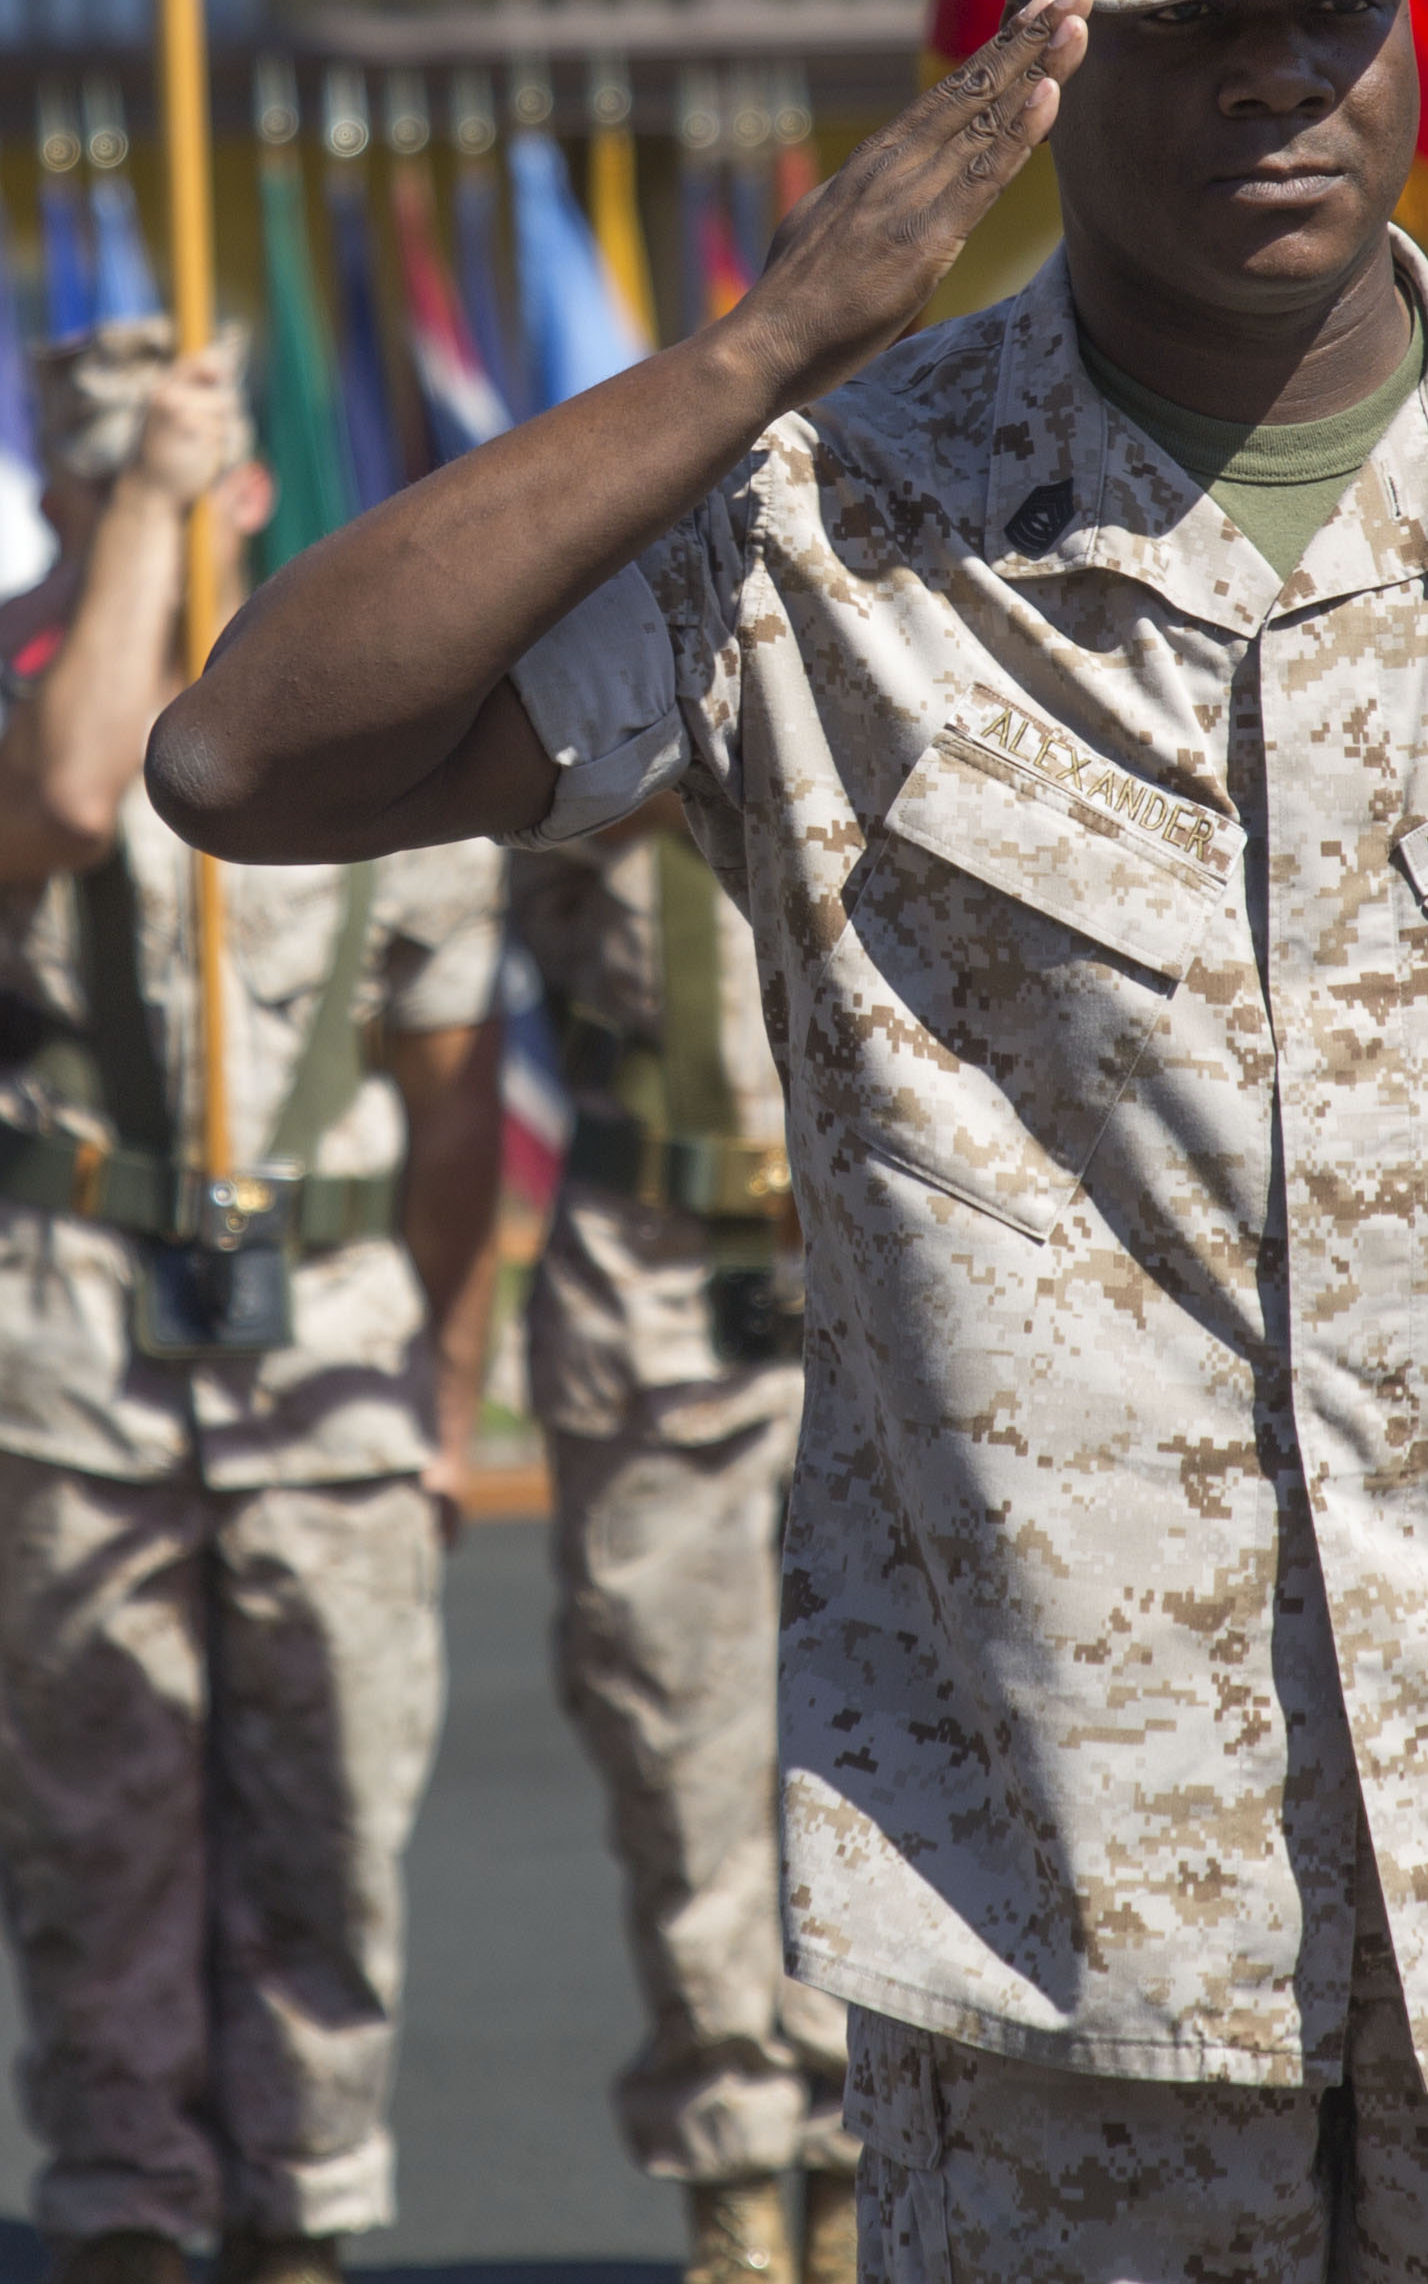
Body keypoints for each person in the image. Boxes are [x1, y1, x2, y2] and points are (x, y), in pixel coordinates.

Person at [147, 0, 1428, 2279]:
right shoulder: (822, 535)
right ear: (1053, 51)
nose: (1273, 85)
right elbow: (244, 756)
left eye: (1331, 13)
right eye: (1194, 23)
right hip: (1059, 1935)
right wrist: (763, 347)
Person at [0, 323, 506, 2284]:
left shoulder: (375, 735)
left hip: (321, 1369)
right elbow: (68, 800)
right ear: (53, 501)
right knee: (95, 1861)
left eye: (176, 477)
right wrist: (141, 513)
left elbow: (449, 1102)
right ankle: (131, 2225)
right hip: (73, 1373)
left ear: (252, 491)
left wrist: (450, 1397)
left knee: (326, 1850)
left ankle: (303, 2228)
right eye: (86, 483)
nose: (125, 510)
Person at [513, 819, 856, 2284]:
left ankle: (861, 2163)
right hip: (659, 1273)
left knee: (902, 1745)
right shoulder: (592, 656)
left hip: (886, 1270)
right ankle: (733, 2177)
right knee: (677, 1755)